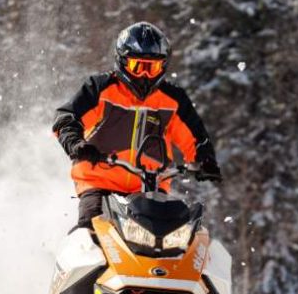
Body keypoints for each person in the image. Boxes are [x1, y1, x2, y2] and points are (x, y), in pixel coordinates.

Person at [53, 22, 222, 230]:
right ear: (123, 62)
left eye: (152, 68)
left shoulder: (172, 100)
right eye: (138, 67)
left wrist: (204, 161)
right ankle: (75, 258)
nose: (144, 76)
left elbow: (195, 138)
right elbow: (66, 118)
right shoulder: (101, 89)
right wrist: (77, 144)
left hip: (150, 190)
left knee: (171, 238)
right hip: (99, 183)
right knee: (92, 230)